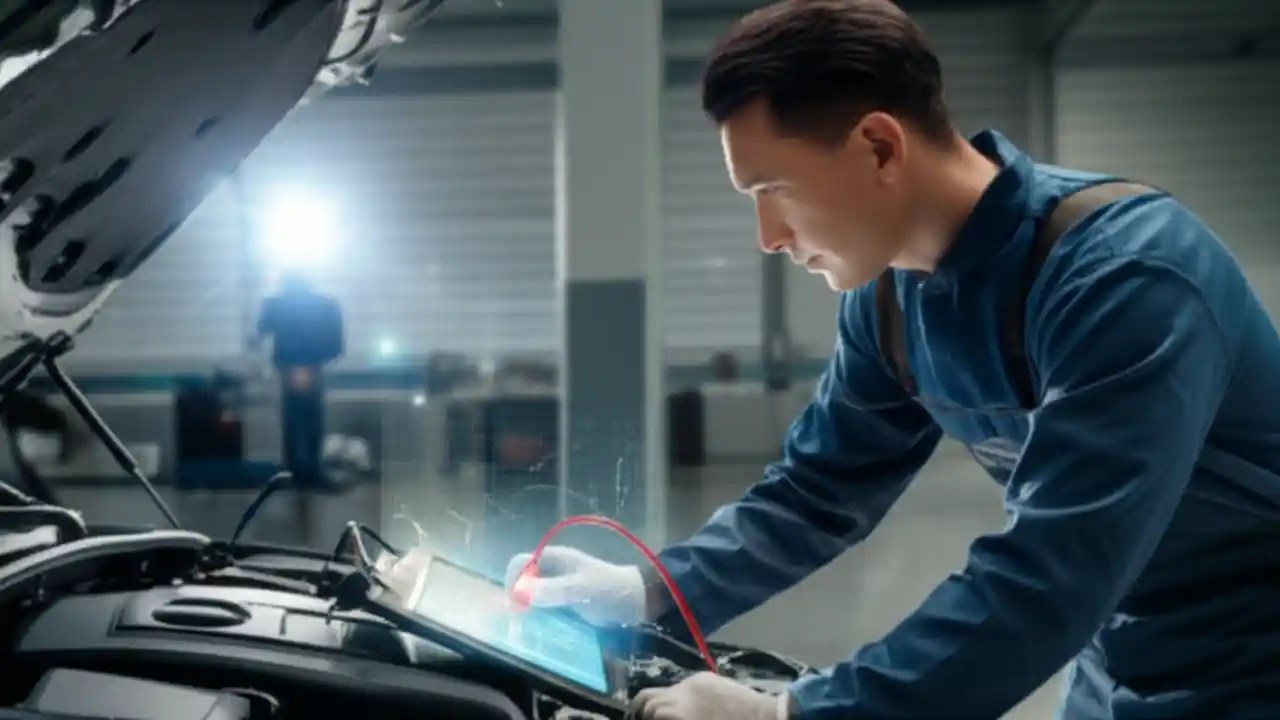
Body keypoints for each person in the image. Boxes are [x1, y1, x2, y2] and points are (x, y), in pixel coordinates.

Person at [505, 2, 1280, 719]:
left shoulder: (1126, 277)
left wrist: (796, 713)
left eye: (773, 188)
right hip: (1118, 665)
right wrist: (647, 594)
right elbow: (814, 495)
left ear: (880, 146)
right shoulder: (890, 304)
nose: (767, 237)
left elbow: (1051, 579)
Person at [256, 270, 344, 533]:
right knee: (310, 422)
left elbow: (261, 330)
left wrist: (294, 366)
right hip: (311, 367)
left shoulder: (277, 305)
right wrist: (312, 364)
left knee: (295, 424)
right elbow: (336, 342)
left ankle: (298, 475)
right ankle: (308, 474)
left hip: (294, 367)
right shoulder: (326, 305)